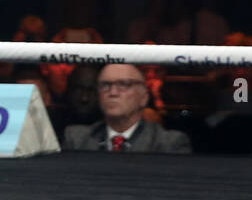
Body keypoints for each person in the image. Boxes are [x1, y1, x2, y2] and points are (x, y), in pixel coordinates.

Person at [62, 64, 192, 153]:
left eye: (123, 85)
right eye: (105, 85)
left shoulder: (168, 143)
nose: (112, 92)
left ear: (144, 97)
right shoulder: (76, 139)